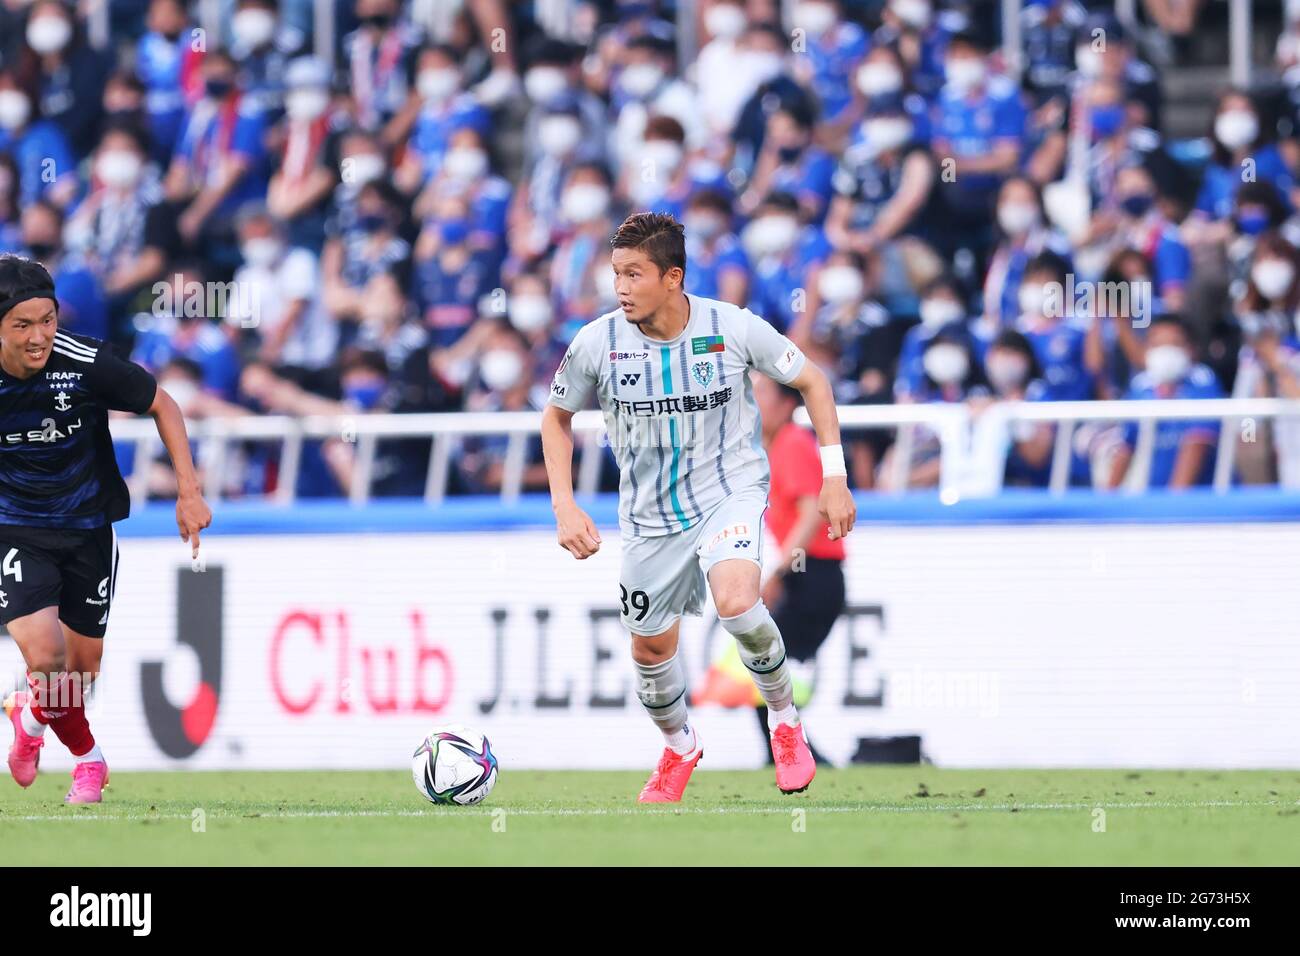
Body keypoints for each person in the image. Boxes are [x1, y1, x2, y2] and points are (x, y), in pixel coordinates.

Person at [540, 212, 856, 803]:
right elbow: (555, 419)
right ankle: (680, 745)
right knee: (650, 650)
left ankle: (786, 722)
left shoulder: (731, 328)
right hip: (648, 519)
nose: (622, 287)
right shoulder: (596, 343)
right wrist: (565, 504)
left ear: (673, 277)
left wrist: (833, 479)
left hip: (727, 493)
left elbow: (813, 382)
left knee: (738, 602)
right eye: (616, 274)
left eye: (635, 274)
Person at [0, 254, 211, 804]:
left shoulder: (85, 362)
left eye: (47, 319)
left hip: (89, 526)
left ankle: (30, 715)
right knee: (44, 656)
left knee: (80, 672)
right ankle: (89, 762)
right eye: (22, 325)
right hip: (13, 527)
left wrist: (188, 493)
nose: (40, 335)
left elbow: (162, 404)